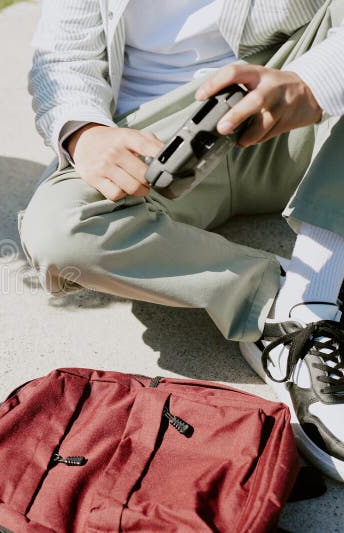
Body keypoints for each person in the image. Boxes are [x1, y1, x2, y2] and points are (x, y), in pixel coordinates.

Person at [20, 0, 344, 481]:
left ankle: (313, 299)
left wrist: (314, 82)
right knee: (59, 231)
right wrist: (84, 132)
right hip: (156, 135)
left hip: (289, 102)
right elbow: (61, 56)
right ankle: (279, 300)